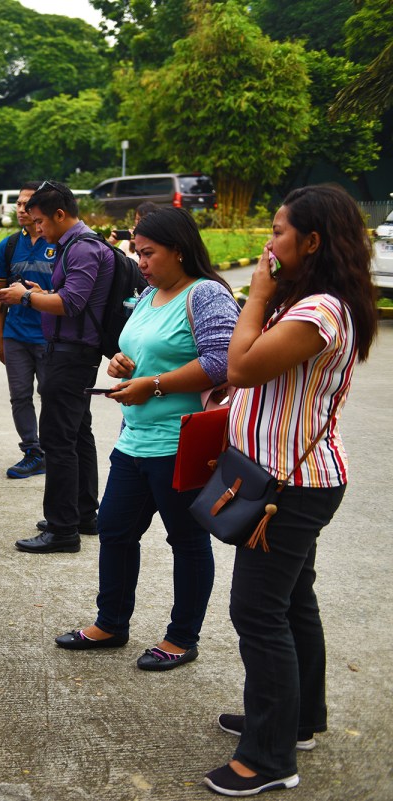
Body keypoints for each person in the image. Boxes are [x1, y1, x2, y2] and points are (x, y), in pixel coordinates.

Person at [203, 185, 377, 797]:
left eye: (278, 231)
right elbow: (258, 379)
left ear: (311, 242)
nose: (267, 243)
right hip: (286, 474)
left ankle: (270, 759)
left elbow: (243, 364)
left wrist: (255, 293)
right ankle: (297, 720)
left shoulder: (320, 309)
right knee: (293, 601)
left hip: (291, 485)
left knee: (258, 611)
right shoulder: (310, 301)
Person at [52, 207, 239, 671]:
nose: (142, 263)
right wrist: (121, 362)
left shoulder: (206, 294)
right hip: (134, 441)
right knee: (115, 531)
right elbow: (137, 350)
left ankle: (182, 637)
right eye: (138, 253)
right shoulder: (150, 293)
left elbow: (223, 360)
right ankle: (110, 622)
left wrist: (154, 386)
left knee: (187, 541)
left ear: (179, 248)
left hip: (181, 445)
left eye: (149, 253)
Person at [0, 181, 114, 554]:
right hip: (71, 350)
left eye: (42, 221)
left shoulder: (82, 248)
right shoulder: (76, 245)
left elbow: (73, 303)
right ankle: (81, 513)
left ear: (60, 215)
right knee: (77, 433)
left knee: (58, 440)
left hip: (71, 353)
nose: (38, 229)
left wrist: (26, 297)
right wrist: (37, 292)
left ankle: (62, 529)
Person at [0, 181, 55, 478]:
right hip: (15, 334)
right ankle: (32, 451)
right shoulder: (9, 245)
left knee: (51, 394)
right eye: (18, 204)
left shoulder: (57, 243)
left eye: (27, 204)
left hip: (48, 336)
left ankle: (53, 450)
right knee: (19, 395)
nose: (21, 209)